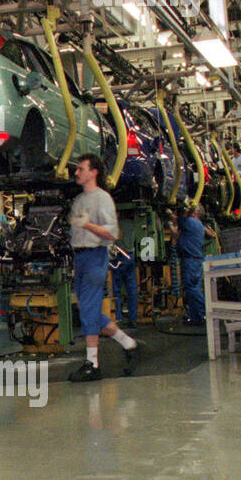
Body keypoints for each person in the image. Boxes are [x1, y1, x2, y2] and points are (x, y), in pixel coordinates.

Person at [68, 154, 140, 382]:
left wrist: (86, 224)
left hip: (95, 256)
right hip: (80, 259)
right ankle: (129, 344)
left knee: (88, 310)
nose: (76, 172)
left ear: (94, 172)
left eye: (81, 169)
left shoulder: (103, 198)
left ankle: (92, 363)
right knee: (87, 309)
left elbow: (112, 232)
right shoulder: (79, 200)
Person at [178, 204, 217, 328]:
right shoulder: (200, 225)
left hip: (190, 261)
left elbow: (177, 219)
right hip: (196, 260)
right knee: (192, 289)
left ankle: (208, 310)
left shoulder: (190, 222)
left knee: (191, 288)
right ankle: (196, 318)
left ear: (194, 213)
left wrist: (169, 213)